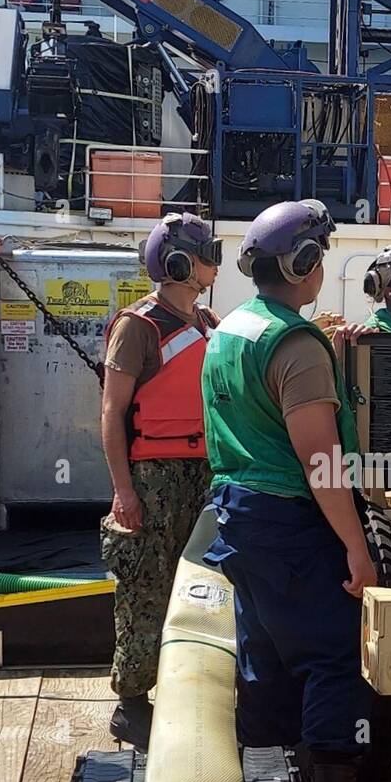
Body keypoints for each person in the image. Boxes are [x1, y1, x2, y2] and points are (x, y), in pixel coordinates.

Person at [202, 199, 391, 782]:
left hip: (241, 514)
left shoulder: (236, 327)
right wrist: (357, 547)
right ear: (304, 264)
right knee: (336, 658)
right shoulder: (296, 346)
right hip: (294, 521)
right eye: (319, 255)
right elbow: (321, 461)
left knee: (266, 661)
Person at [101, 213, 222, 748]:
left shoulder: (207, 322)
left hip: (204, 471)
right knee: (146, 589)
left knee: (199, 585)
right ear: (177, 263)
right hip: (153, 477)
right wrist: (123, 491)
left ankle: (187, 689)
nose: (212, 261)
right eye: (203, 253)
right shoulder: (138, 327)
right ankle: (131, 703)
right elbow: (111, 413)